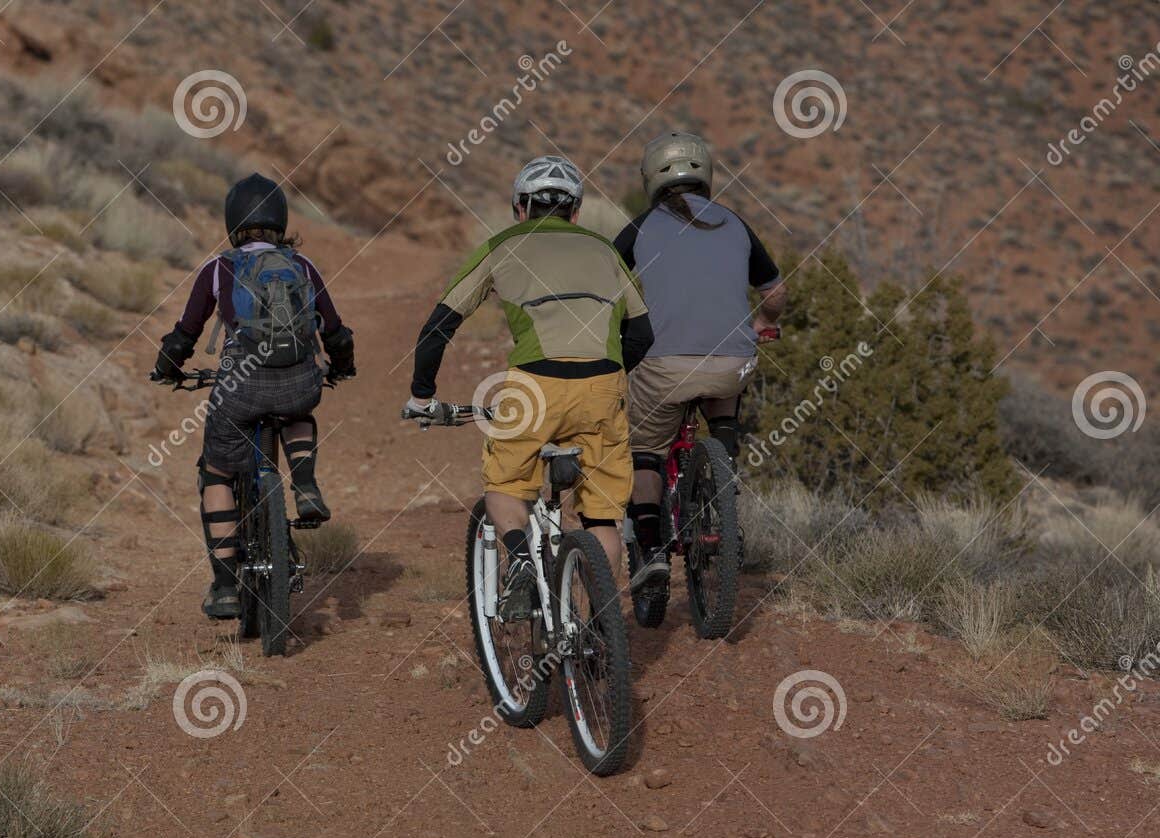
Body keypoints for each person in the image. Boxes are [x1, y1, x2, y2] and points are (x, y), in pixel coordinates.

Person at [405, 154, 653, 619]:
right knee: (602, 514)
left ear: (520, 207)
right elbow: (642, 335)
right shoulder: (605, 250)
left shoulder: (502, 246)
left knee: (505, 484)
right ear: (575, 212)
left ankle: (519, 561)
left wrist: (423, 396)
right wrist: (609, 378)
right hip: (602, 385)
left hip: (534, 387)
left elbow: (439, 327)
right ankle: (600, 628)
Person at [152, 173, 356, 620]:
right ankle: (304, 485)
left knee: (218, 473)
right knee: (300, 408)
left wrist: (166, 368)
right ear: (280, 221)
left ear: (233, 222)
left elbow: (185, 332)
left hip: (240, 387)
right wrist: (342, 365)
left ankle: (225, 586)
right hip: (298, 382)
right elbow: (335, 329)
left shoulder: (219, 269)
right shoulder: (302, 267)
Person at [613, 130, 786, 594]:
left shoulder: (642, 226)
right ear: (705, 174)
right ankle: (723, 500)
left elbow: (604, 282)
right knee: (724, 408)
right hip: (732, 361)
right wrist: (762, 325)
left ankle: (649, 549)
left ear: (652, 177)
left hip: (663, 366)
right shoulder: (735, 222)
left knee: (644, 452)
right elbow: (775, 293)